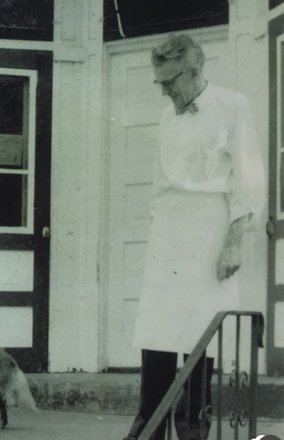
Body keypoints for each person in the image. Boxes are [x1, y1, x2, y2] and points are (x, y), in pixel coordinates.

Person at [123, 33, 266, 440]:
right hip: (168, 235)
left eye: (169, 82)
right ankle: (148, 427)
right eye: (160, 83)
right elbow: (157, 184)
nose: (164, 91)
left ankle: (191, 430)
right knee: (156, 335)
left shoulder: (233, 106)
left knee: (198, 338)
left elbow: (249, 181)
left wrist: (234, 242)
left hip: (209, 235)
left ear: (195, 70)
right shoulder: (168, 115)